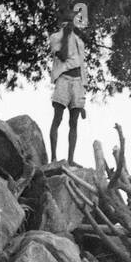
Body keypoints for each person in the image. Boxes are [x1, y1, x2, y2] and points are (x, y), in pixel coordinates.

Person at [49, 12, 93, 165]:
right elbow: (62, 56)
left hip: (78, 82)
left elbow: (82, 66)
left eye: (71, 21)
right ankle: (53, 157)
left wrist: (83, 91)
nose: (69, 23)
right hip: (63, 79)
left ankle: (71, 159)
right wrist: (66, 35)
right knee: (58, 118)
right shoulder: (56, 37)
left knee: (74, 122)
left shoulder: (79, 41)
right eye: (66, 21)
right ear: (61, 23)